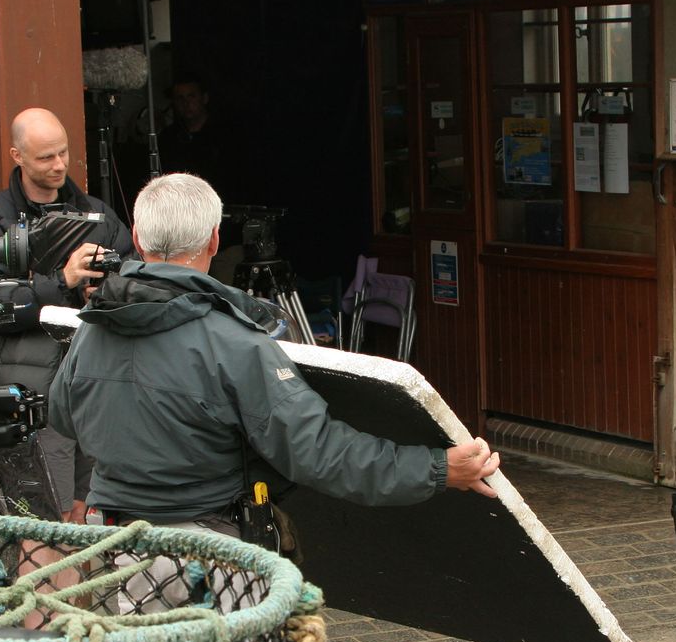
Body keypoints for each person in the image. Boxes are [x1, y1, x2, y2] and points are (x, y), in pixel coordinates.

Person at [48, 172, 500, 567]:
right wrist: (438, 469)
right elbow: (320, 454)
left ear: (139, 240)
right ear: (214, 240)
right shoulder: (237, 342)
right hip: (209, 554)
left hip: (114, 551)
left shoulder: (92, 327)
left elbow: (63, 415)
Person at [0, 106, 134, 522]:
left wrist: (106, 292)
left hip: (96, 387)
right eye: (45, 157)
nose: (59, 166)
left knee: (93, 517)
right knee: (47, 525)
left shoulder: (97, 214)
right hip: (32, 398)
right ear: (16, 156)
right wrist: (63, 281)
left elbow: (135, 279)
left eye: (63, 153)